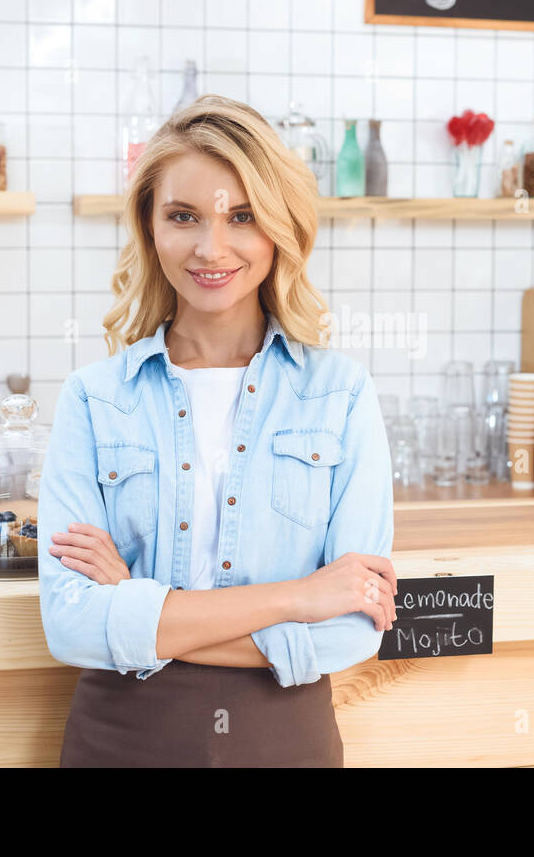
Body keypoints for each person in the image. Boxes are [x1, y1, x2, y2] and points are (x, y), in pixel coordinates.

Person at [37, 94, 397, 767]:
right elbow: (71, 625)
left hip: (285, 745)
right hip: (121, 744)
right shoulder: (93, 398)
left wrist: (137, 607)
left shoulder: (340, 395)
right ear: (149, 226)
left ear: (278, 229)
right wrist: (298, 598)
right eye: (183, 216)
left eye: (242, 216)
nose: (212, 247)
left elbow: (349, 633)